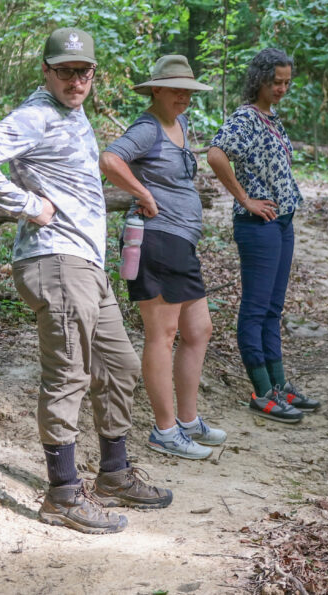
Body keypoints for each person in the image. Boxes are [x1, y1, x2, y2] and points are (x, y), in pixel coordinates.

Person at [0, 27, 172, 534]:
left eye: (84, 71)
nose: (76, 80)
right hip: (55, 262)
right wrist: (29, 206)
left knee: (118, 367)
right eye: (66, 71)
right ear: (47, 71)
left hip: (85, 265)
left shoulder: (71, 114)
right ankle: (63, 494)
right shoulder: (36, 114)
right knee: (68, 375)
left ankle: (114, 475)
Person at [99, 55, 226, 460]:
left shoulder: (181, 123)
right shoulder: (147, 127)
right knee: (163, 335)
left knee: (199, 330)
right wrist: (142, 193)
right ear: (156, 89)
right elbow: (110, 159)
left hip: (180, 243)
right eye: (176, 90)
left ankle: (187, 421)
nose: (184, 98)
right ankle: (165, 430)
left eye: (188, 91)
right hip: (156, 241)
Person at [207, 47, 322, 423]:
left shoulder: (271, 117)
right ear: (259, 79)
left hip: (283, 220)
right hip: (258, 225)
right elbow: (216, 154)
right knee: (255, 310)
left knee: (273, 309)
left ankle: (279, 384)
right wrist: (245, 198)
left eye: (287, 82)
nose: (282, 89)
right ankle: (261, 392)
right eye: (276, 82)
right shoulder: (246, 117)